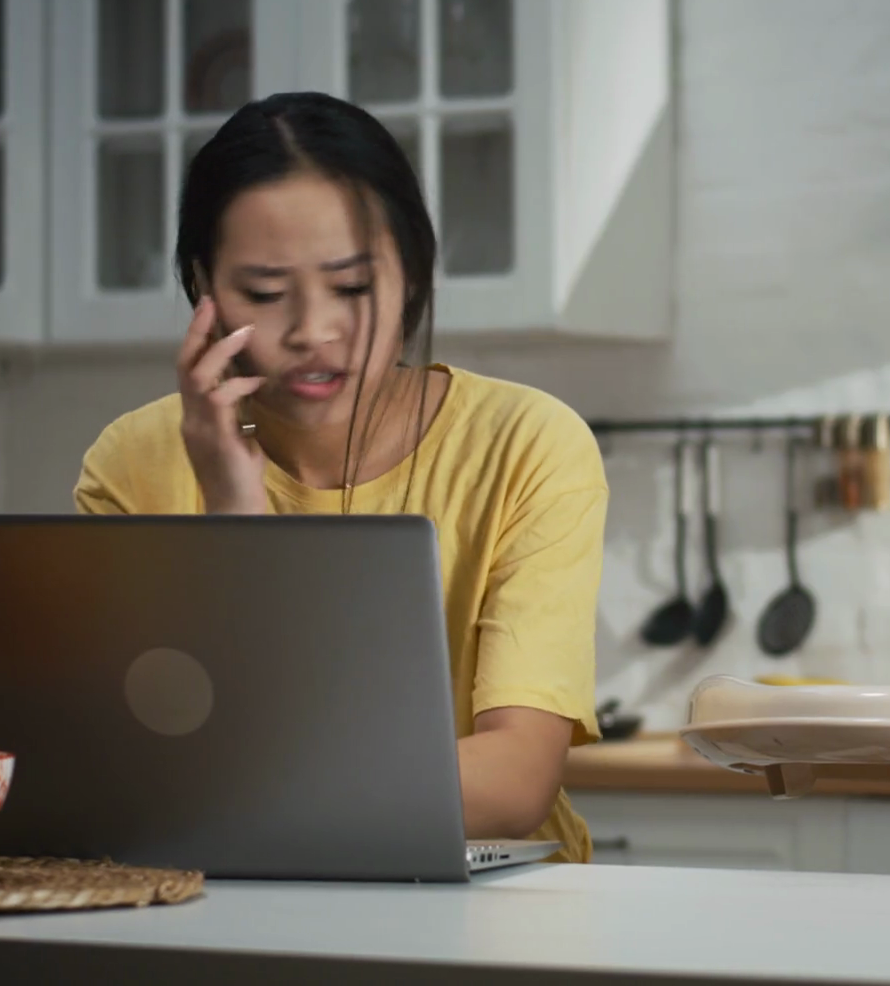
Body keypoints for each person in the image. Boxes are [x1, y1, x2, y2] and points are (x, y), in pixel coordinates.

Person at [71, 92, 607, 862]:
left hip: (501, 920)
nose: (315, 331)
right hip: (229, 905)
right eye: (263, 292)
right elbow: (137, 770)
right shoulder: (134, 464)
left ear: (414, 275)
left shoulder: (528, 444)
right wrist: (233, 511)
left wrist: (242, 781)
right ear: (203, 287)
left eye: (352, 287)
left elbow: (512, 783)